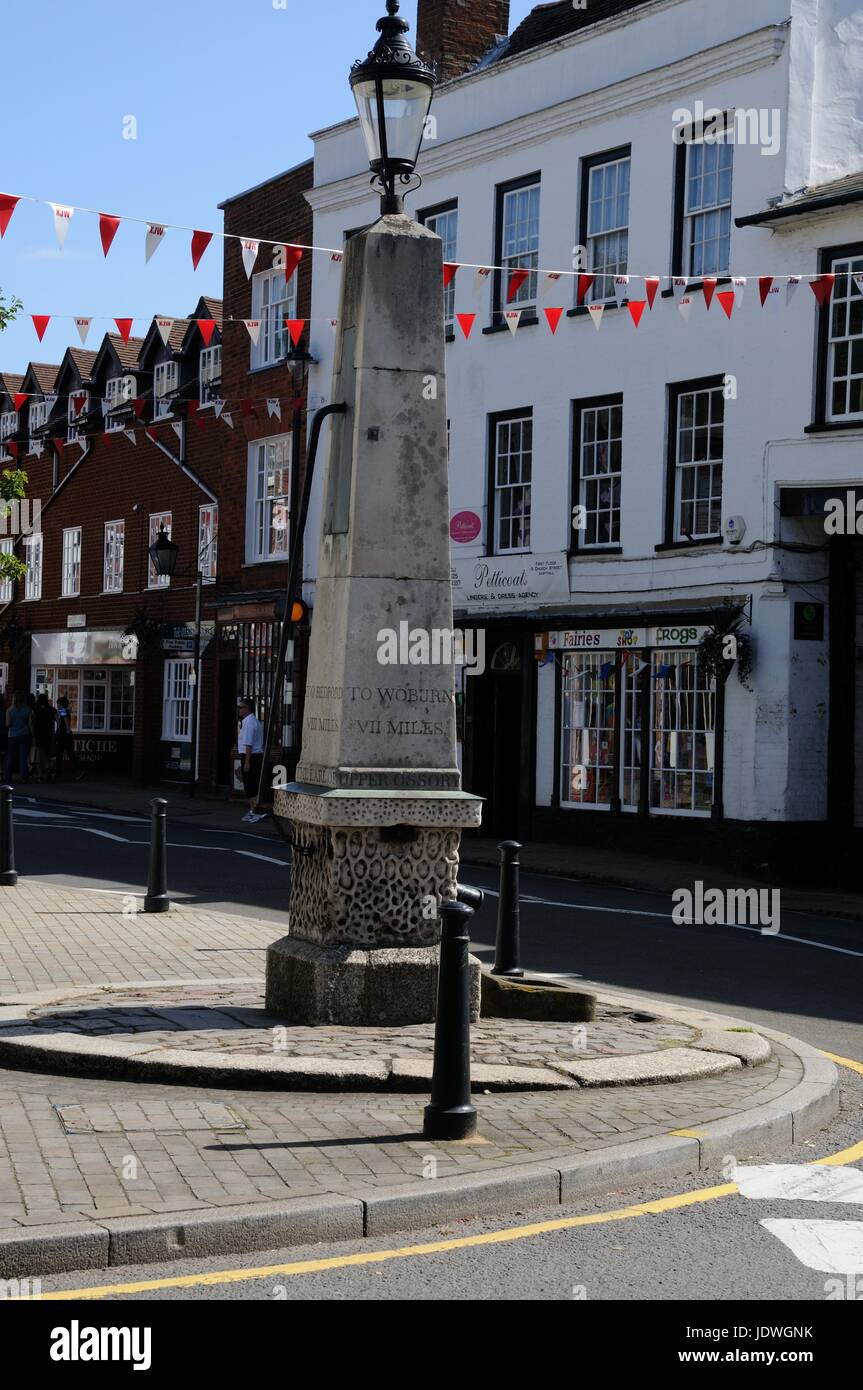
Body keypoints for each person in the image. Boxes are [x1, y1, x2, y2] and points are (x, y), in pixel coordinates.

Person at [237, 697, 265, 822]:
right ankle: (254, 809)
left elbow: (248, 744)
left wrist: (247, 762)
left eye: (241, 707)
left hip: (251, 756)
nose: (239, 710)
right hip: (255, 756)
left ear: (247, 709)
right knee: (252, 784)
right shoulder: (254, 721)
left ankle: (254, 810)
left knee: (249, 785)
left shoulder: (249, 723)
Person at [53, 696, 85, 782]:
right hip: (66, 735)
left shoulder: (62, 711)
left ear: (61, 704)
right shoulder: (64, 711)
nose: (57, 705)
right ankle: (79, 771)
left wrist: (65, 731)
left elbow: (64, 723)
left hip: (63, 735)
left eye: (58, 704)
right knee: (71, 754)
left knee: (59, 754)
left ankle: (58, 773)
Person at [5, 691, 33, 783]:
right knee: (23, 757)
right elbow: (30, 724)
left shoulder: (9, 710)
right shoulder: (28, 709)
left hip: (12, 735)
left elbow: (8, 724)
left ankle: (8, 777)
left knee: (11, 757)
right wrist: (32, 735)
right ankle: (24, 777)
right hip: (24, 735)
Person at [33, 693, 57, 781]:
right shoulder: (51, 709)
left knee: (40, 756)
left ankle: (40, 775)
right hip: (49, 734)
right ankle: (49, 772)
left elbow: (32, 722)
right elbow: (58, 719)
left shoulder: (35, 710)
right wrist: (56, 731)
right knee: (49, 755)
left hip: (38, 734)